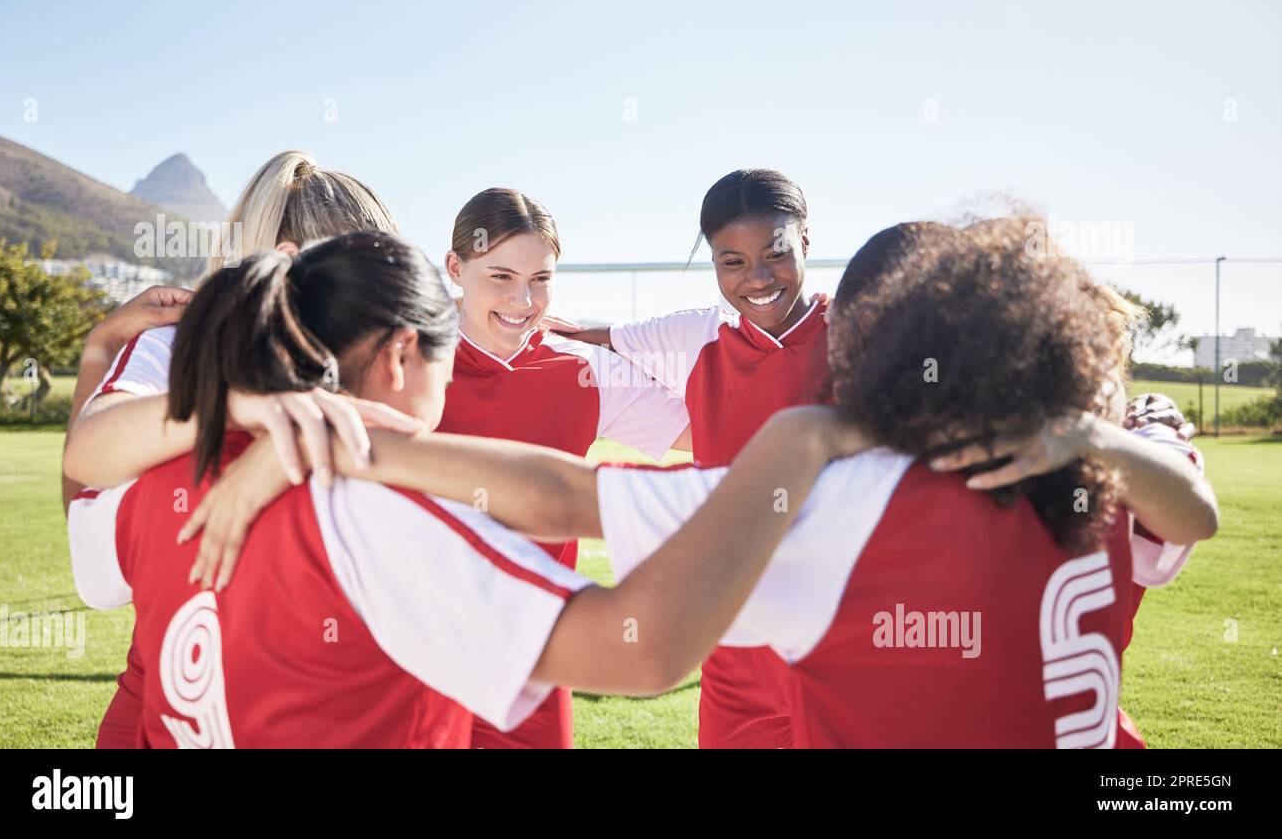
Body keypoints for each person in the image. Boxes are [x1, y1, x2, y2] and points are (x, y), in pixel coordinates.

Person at [177, 217, 1217, 746]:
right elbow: (1192, 512)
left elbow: (570, 504)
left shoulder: (835, 501)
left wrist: (365, 442)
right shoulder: (1093, 464)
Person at [67, 231, 865, 748]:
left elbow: (86, 536)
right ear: (404, 354)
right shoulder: (385, 523)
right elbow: (645, 645)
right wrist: (802, 440)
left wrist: (101, 356)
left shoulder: (164, 484)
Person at [62, 149, 409, 749]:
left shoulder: (387, 363)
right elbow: (91, 464)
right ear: (288, 262)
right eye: (368, 271)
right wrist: (227, 400)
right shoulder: (176, 347)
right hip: (173, 713)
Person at [548, 168, 830, 748]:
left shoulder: (859, 333)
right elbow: (580, 339)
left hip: (837, 632)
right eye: (733, 262)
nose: (757, 278)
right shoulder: (698, 336)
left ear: (805, 241)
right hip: (733, 634)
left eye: (775, 254)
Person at [438, 188, 689, 746]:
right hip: (417, 651)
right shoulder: (405, 357)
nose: (524, 299)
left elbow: (713, 433)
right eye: (500, 276)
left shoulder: (584, 370)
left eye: (542, 279)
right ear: (456, 267)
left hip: (535, 658)